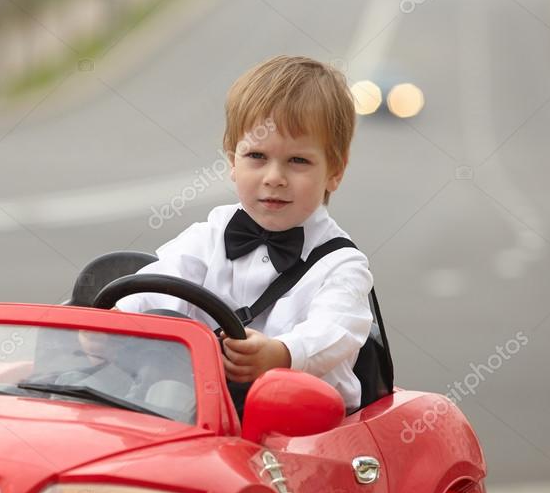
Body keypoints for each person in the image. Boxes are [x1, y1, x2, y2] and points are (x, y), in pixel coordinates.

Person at [114, 55, 373, 412]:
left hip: (297, 424)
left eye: (298, 161)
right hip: (195, 408)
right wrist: (113, 321)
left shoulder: (342, 265)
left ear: (335, 171)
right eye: (256, 156)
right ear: (232, 162)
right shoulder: (208, 236)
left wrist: (282, 353)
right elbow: (159, 281)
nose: (274, 177)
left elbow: (336, 330)